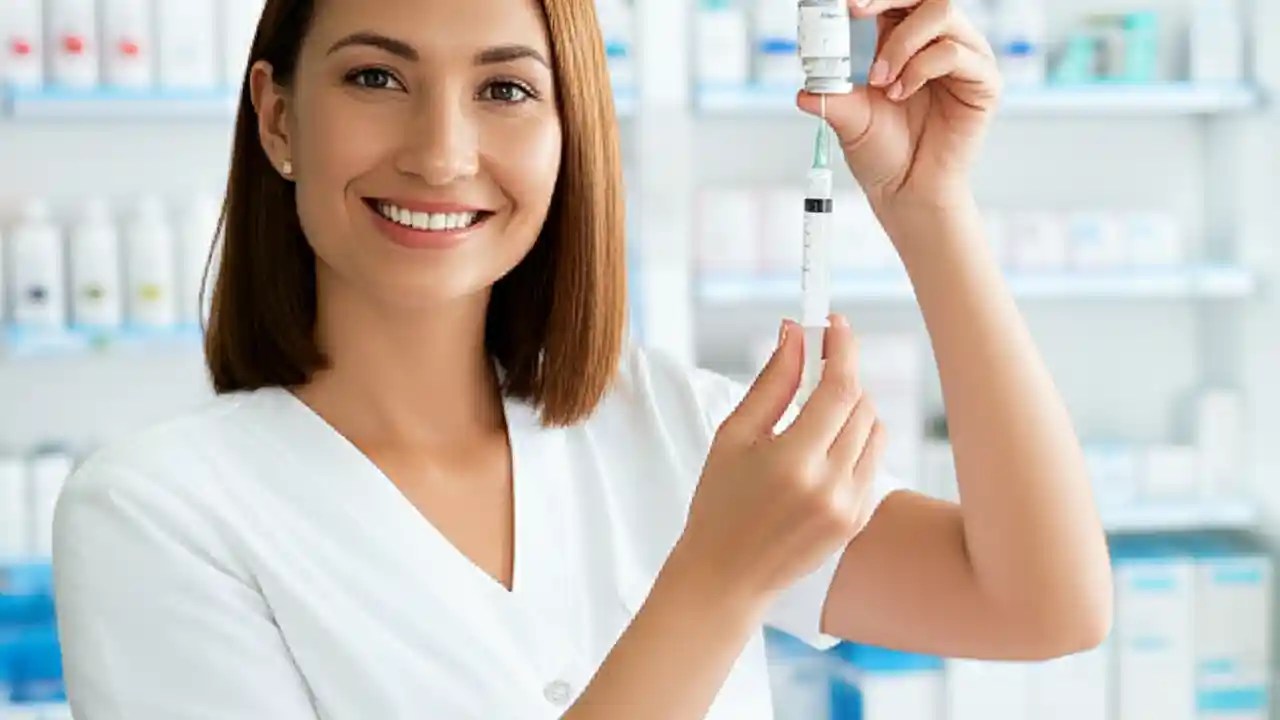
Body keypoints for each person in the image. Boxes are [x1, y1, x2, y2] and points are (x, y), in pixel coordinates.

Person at [51, 0, 1113, 718]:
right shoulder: (155, 516)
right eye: (376, 75)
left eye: (505, 90)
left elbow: (1038, 604)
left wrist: (929, 209)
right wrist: (713, 579)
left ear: (570, 133)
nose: (441, 152)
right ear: (279, 117)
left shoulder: (663, 424)